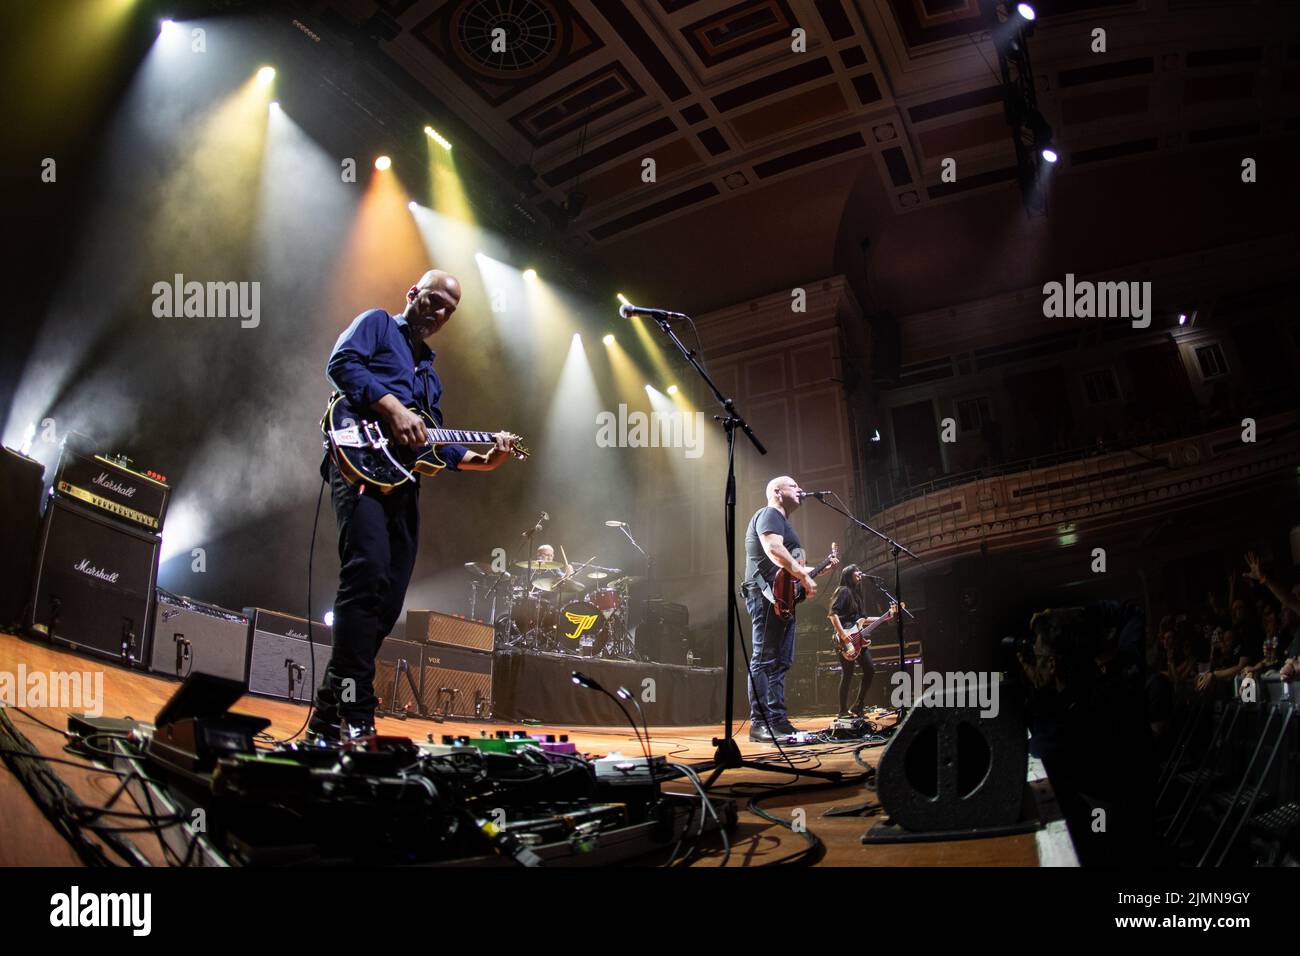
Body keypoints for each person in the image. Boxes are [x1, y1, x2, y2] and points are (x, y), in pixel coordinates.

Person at [310, 269, 518, 742]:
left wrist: (488, 459)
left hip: (402, 483)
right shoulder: (378, 324)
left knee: (389, 596)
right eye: (434, 300)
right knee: (365, 574)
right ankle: (356, 707)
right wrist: (392, 407)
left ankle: (330, 711)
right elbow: (341, 364)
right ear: (413, 294)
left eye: (449, 309)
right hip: (358, 461)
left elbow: (438, 447)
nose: (440, 312)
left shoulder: (432, 379)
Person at [741, 476, 837, 741]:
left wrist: (815, 569)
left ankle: (778, 721)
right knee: (764, 658)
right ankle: (759, 724)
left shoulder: (784, 521)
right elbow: (773, 550)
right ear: (776, 491)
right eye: (793, 486)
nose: (800, 489)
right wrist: (805, 577)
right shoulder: (769, 513)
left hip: (782, 597)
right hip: (765, 595)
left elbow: (787, 568)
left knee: (781, 662)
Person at [826, 564, 895, 717]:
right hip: (845, 639)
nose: (859, 573)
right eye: (856, 571)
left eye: (859, 571)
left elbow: (863, 620)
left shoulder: (857, 595)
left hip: (858, 638)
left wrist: (885, 617)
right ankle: (842, 711)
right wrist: (844, 636)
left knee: (870, 670)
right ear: (848, 574)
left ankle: (858, 704)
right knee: (848, 673)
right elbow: (833, 615)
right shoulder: (843, 591)